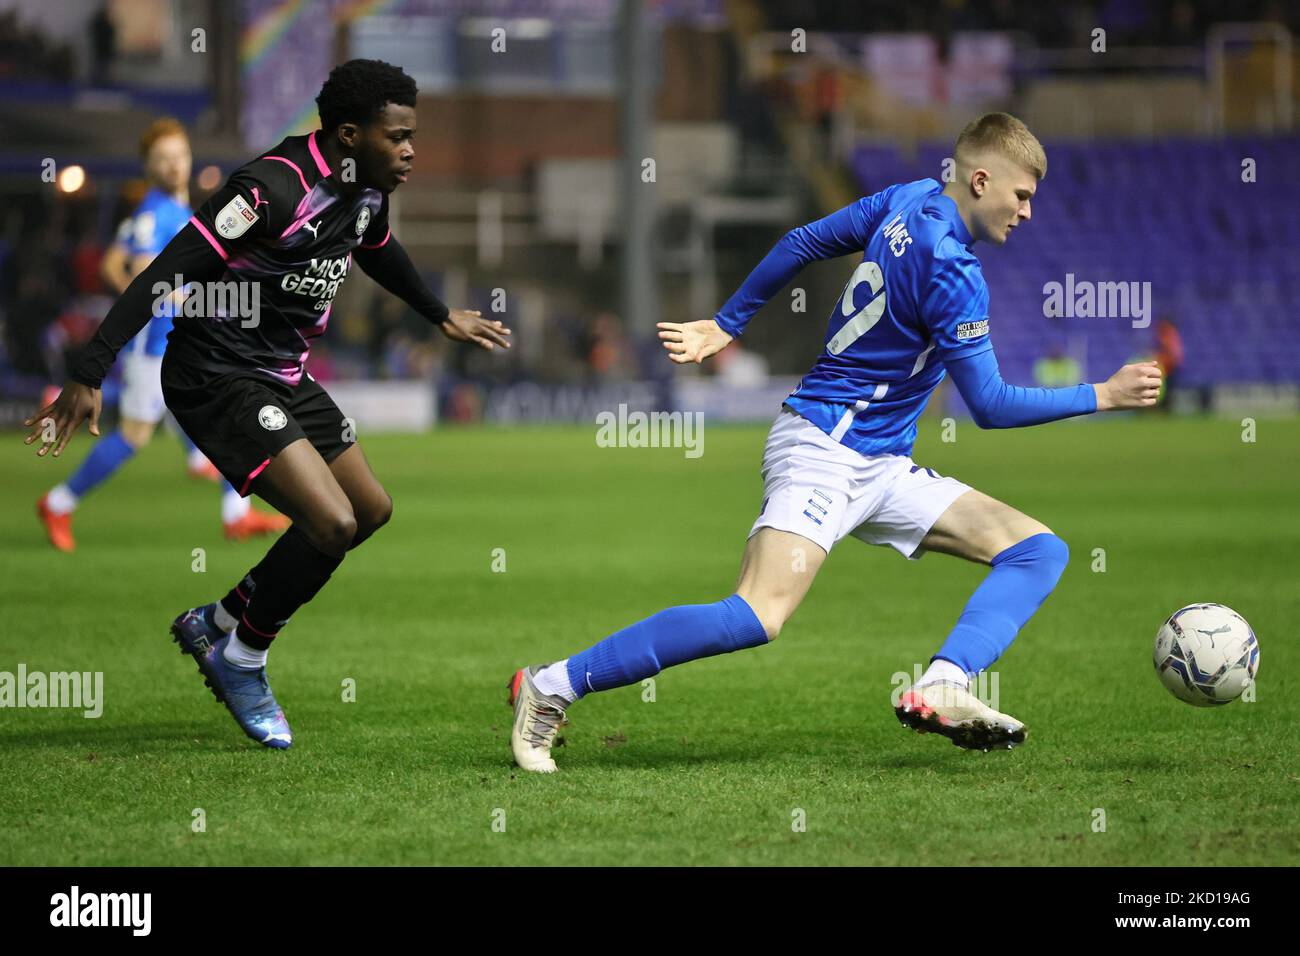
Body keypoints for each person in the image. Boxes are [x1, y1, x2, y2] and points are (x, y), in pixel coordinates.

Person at [508, 112, 1161, 773]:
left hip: (879, 462)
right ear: (983, 180)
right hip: (825, 447)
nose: (1027, 212)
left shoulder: (908, 198)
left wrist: (727, 323)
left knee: (1035, 551)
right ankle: (550, 685)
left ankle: (943, 681)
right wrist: (1102, 395)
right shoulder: (954, 273)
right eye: (1021, 196)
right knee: (757, 614)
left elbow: (801, 241)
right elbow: (989, 406)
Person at [24, 60, 511, 749]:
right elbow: (167, 271)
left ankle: (218, 622)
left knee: (370, 508)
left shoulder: (368, 190)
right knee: (332, 522)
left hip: (283, 374)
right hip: (214, 373)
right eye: (396, 137)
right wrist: (89, 369)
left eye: (412, 136)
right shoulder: (272, 188)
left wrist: (438, 314)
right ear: (348, 134)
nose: (409, 150)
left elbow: (376, 250)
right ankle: (243, 659)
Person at [37, 117, 289, 551]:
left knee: (224, 411)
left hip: (177, 340)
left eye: (179, 155)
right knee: (137, 435)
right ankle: (59, 502)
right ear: (148, 167)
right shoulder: (157, 213)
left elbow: (114, 263)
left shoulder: (167, 211)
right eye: (163, 159)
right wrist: (199, 306)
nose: (174, 165)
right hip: (156, 344)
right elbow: (145, 277)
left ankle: (231, 506)